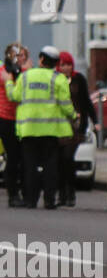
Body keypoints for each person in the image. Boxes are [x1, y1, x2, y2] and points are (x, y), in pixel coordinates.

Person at [5, 45, 74, 209]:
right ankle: (49, 200)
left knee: (30, 166)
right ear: (56, 63)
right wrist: (74, 116)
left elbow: (14, 96)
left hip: (29, 130)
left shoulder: (26, 76)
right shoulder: (59, 79)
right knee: (51, 166)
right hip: (50, 131)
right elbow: (66, 105)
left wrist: (8, 82)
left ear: (41, 59)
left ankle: (31, 200)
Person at [56, 51, 97, 206]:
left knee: (68, 157)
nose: (65, 68)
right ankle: (62, 195)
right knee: (60, 160)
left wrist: (95, 120)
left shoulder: (79, 79)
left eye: (68, 64)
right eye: (62, 65)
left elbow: (86, 100)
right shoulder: (56, 79)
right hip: (59, 124)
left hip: (76, 125)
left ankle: (70, 193)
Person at [1, 42, 29, 207]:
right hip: (6, 119)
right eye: (16, 55)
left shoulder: (25, 73)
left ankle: (26, 192)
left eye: (22, 55)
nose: (19, 58)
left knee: (24, 158)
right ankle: (13, 194)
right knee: (13, 157)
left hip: (24, 120)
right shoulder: (3, 72)